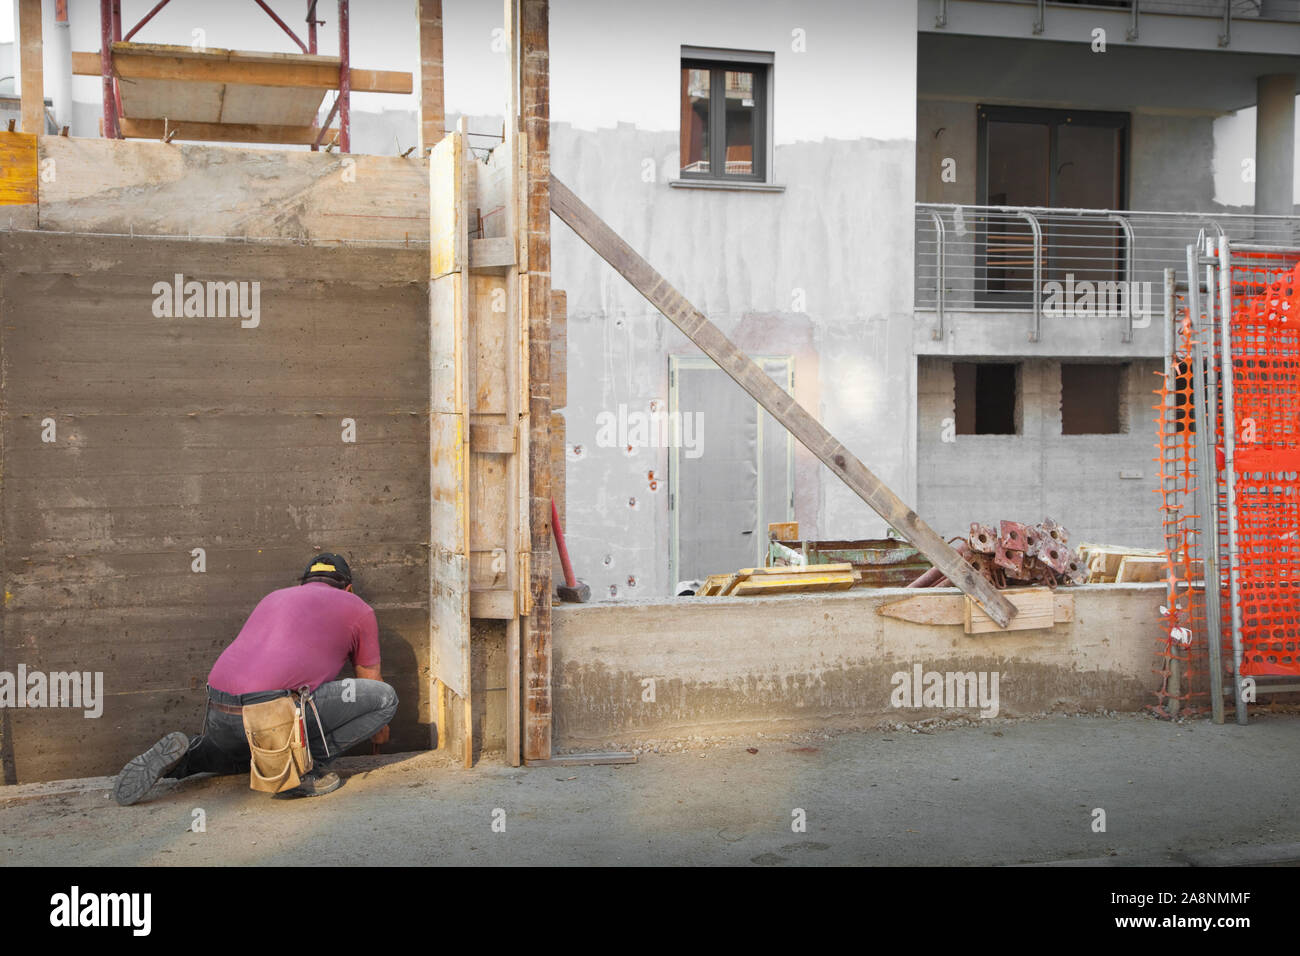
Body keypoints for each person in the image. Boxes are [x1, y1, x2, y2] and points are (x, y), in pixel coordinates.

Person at [113, 553, 398, 805]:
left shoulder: (274, 597)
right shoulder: (357, 607)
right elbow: (371, 679)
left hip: (220, 708)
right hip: (270, 712)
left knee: (253, 757)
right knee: (385, 699)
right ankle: (300, 772)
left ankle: (190, 756)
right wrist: (380, 730)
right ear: (348, 587)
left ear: (305, 583)